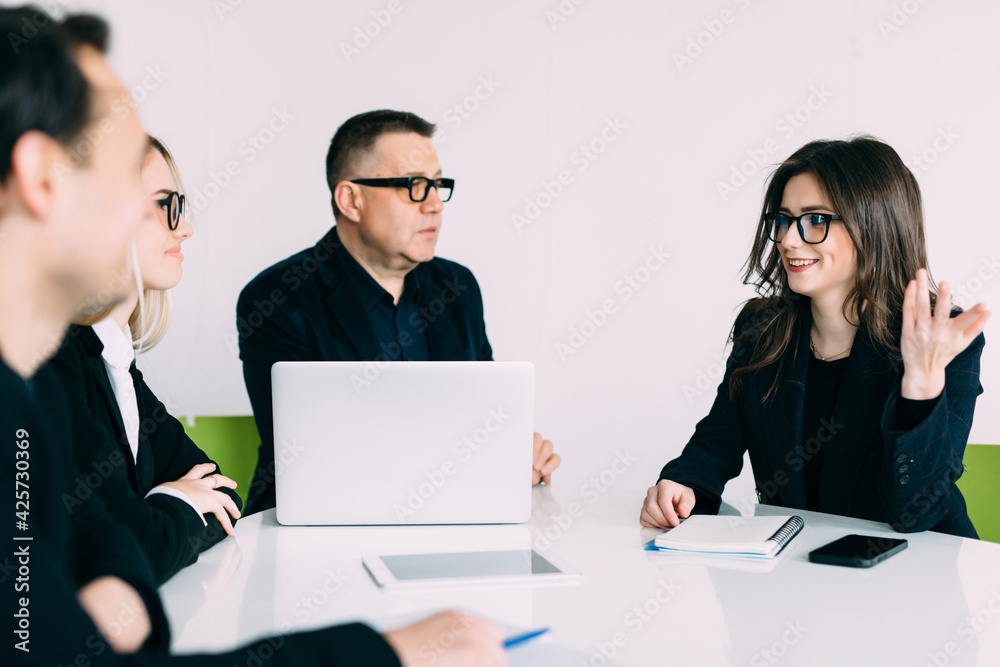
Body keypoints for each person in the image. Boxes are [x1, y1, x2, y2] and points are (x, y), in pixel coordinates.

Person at [0, 6, 504, 665]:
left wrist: (113, 585)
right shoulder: (39, 385)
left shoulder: (31, 393)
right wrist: (383, 655)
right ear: (42, 176)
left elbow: (99, 546)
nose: (169, 221)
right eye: (132, 177)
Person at [640, 136, 990, 538]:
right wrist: (683, 485)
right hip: (798, 573)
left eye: (816, 220)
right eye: (784, 220)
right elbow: (715, 444)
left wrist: (921, 383)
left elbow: (914, 514)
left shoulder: (941, 340)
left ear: (875, 226)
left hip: (916, 577)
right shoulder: (762, 330)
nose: (788, 240)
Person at [237, 109, 560, 514]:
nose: (435, 205)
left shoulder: (457, 288)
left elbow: (484, 416)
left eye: (438, 185)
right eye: (414, 186)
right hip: (320, 523)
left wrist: (513, 452)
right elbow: (312, 453)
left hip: (454, 515)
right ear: (351, 199)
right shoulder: (277, 297)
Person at [46, 136, 243, 584]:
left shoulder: (116, 361)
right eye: (163, 204)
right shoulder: (54, 363)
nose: (185, 227)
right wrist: (170, 503)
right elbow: (130, 554)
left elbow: (224, 496)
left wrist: (155, 512)